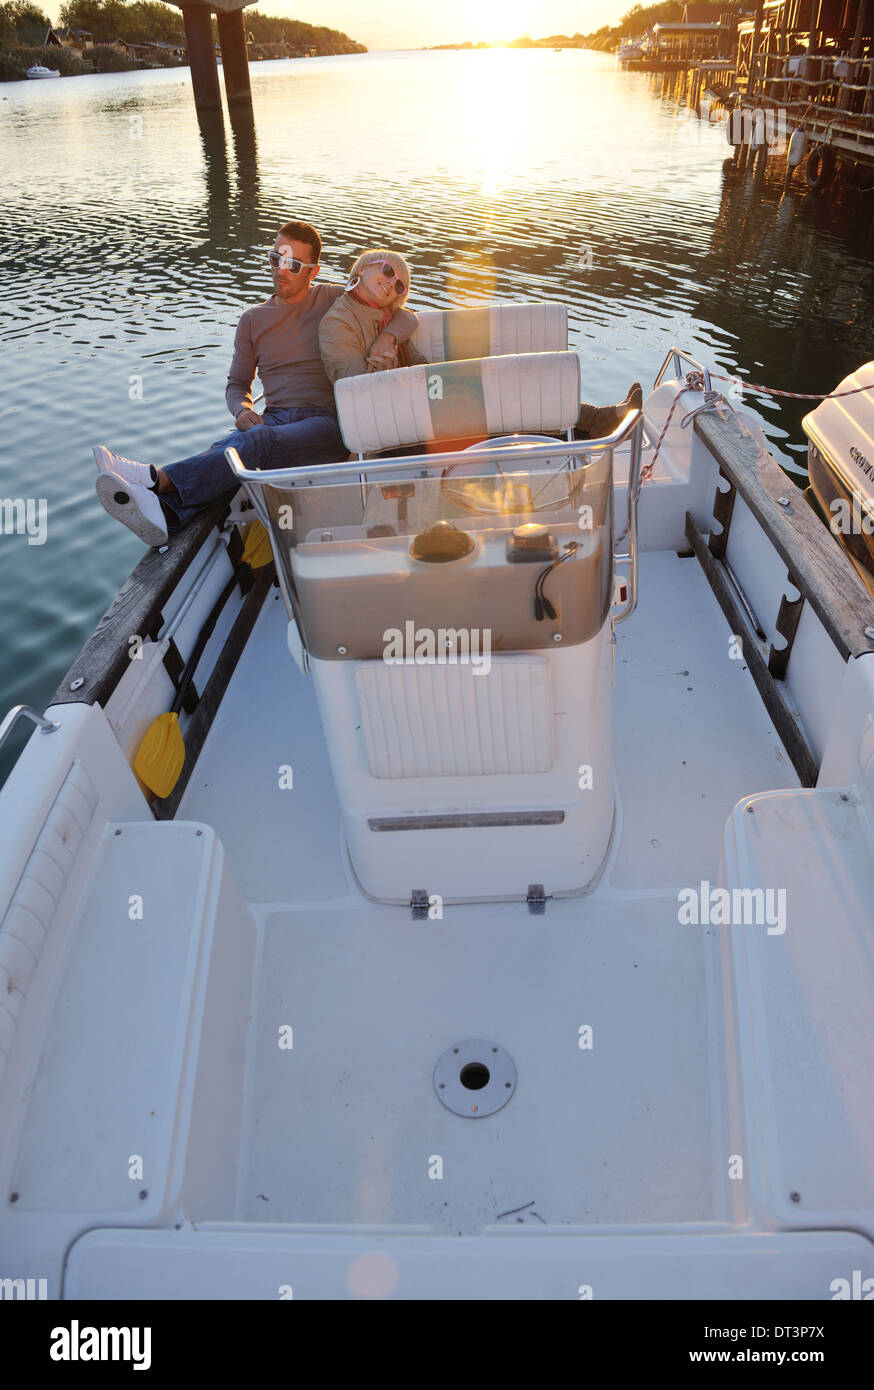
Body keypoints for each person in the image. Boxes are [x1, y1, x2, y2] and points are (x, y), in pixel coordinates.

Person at [92, 220, 421, 545]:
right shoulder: (252, 320)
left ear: (313, 271)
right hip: (275, 418)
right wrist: (242, 409)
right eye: (276, 258)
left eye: (293, 264)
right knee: (230, 445)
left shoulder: (334, 299)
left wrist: (386, 338)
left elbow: (404, 314)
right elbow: (237, 384)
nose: (281, 270)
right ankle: (167, 514)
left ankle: (153, 478)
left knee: (253, 442)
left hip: (326, 422)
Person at [318, 248, 428, 383]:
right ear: (362, 269)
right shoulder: (337, 323)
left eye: (399, 286)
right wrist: (388, 375)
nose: (392, 283)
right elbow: (356, 388)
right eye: (388, 271)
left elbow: (420, 364)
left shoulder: (390, 319)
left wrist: (386, 338)